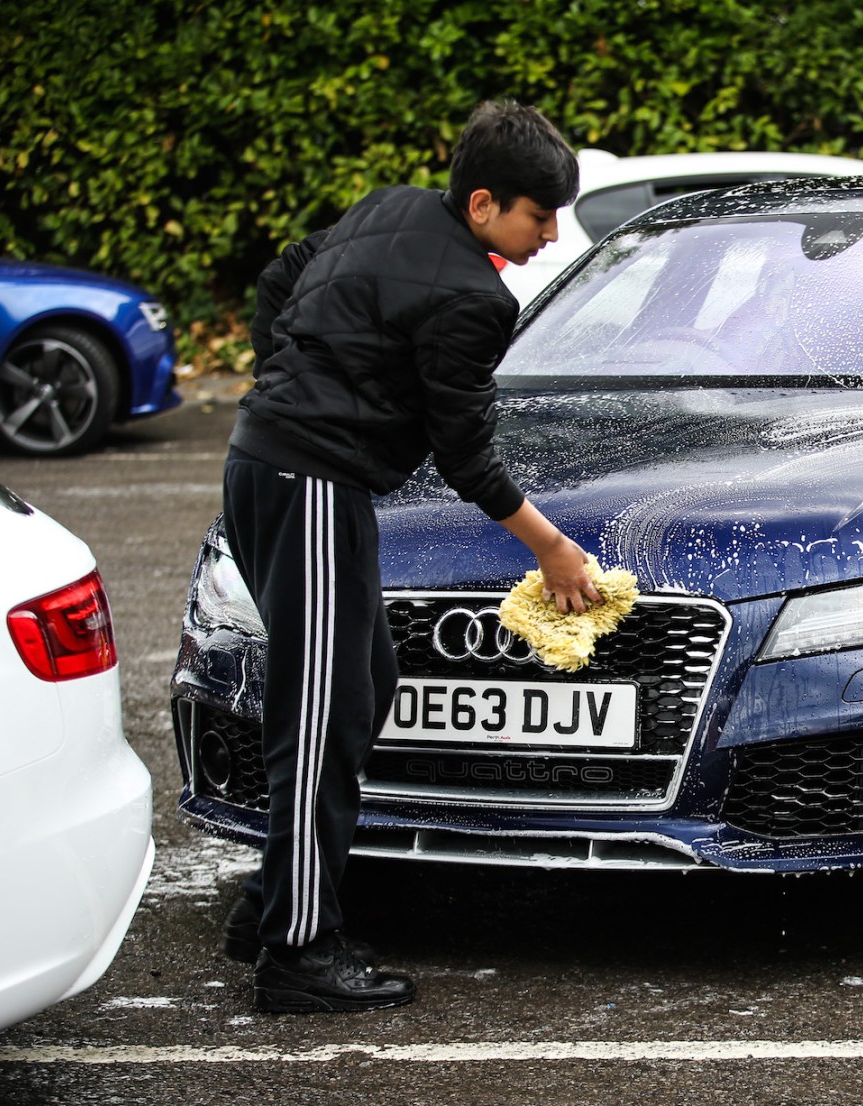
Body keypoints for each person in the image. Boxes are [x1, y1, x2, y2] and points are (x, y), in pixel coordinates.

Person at [220, 100, 598, 1010]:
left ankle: (275, 904)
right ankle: (297, 956)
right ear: (481, 206)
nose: (550, 233)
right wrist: (551, 550)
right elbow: (466, 452)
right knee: (322, 718)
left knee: (364, 688)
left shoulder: (387, 205)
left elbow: (281, 276)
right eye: (536, 215)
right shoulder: (475, 296)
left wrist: (295, 377)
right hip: (306, 485)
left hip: (279, 473)